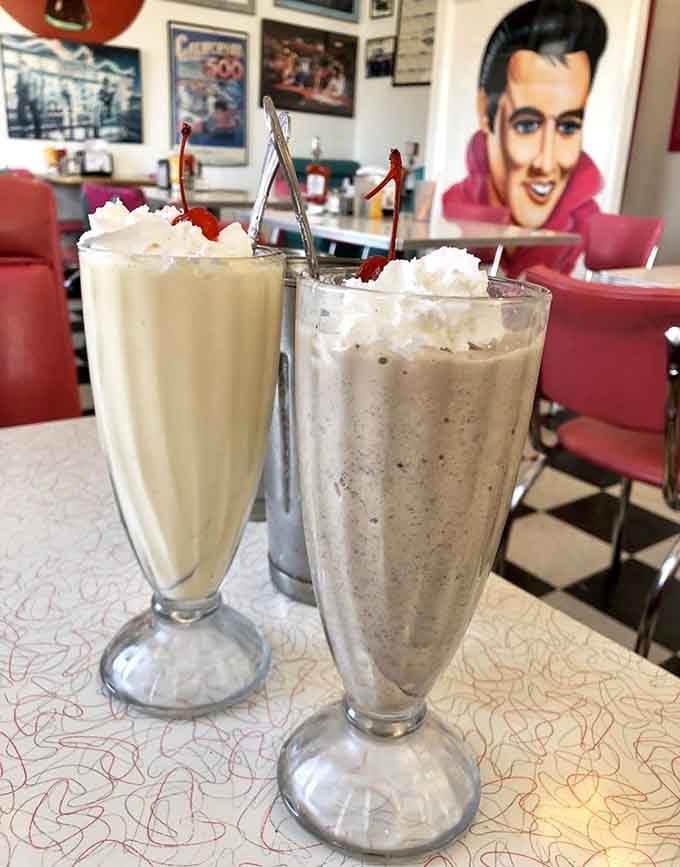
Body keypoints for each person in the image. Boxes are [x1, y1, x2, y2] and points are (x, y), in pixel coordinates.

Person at [442, 0, 608, 276]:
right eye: (528, 125)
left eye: (568, 127)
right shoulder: (452, 209)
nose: (546, 163)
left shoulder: (586, 228)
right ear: (484, 111)